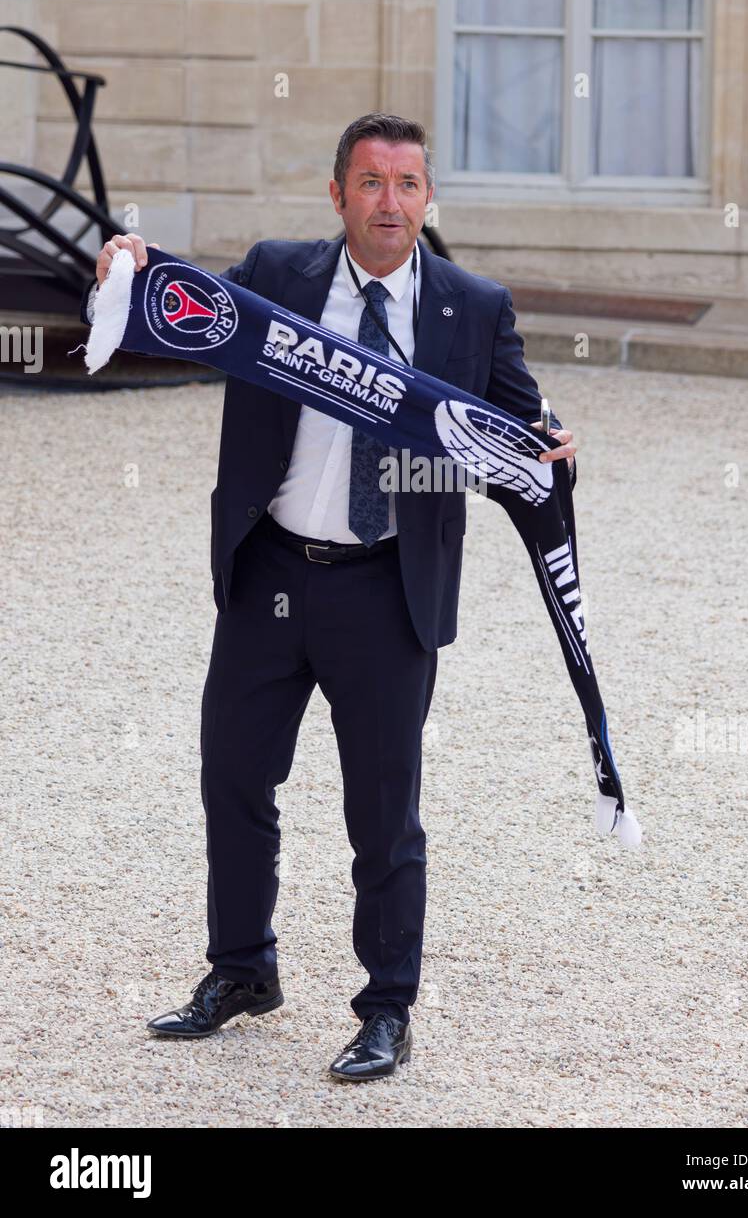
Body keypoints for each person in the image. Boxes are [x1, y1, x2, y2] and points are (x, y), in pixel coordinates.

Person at [83, 113, 576, 1081]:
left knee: (383, 811)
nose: (387, 202)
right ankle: (241, 971)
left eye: (405, 184)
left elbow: (521, 424)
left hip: (388, 590)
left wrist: (554, 439)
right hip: (270, 572)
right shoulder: (280, 274)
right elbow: (191, 316)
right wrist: (132, 269)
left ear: (428, 198)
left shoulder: (471, 309)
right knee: (233, 776)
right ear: (337, 193)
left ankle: (386, 1008)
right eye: (369, 183)